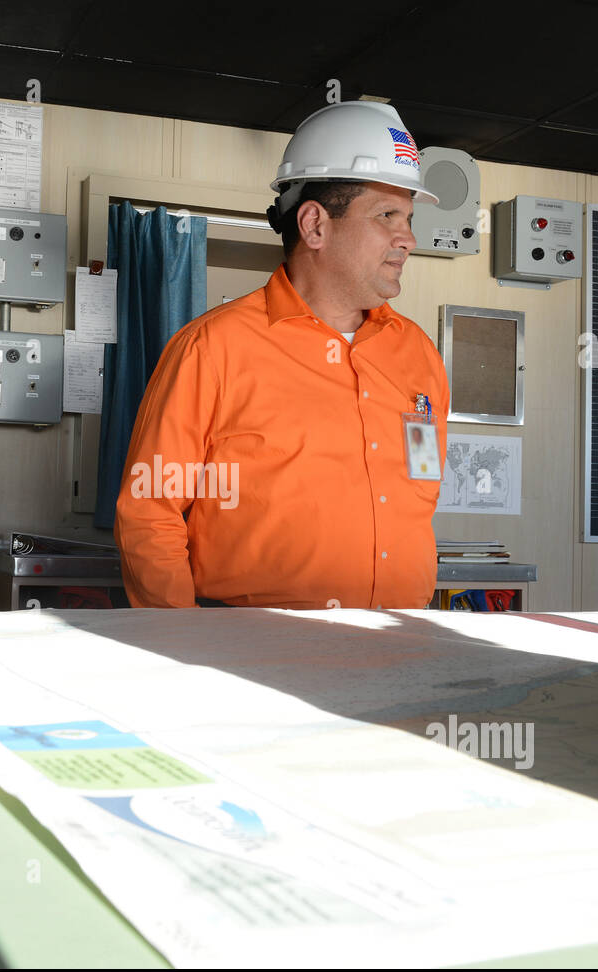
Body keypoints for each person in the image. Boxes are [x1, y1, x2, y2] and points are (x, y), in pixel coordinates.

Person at [114, 101, 450, 610]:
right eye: (387, 216)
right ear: (315, 225)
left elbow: (417, 492)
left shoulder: (419, 354)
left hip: (399, 647)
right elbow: (150, 512)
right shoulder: (213, 349)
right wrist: (181, 645)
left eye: (408, 217)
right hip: (252, 654)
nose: (408, 239)